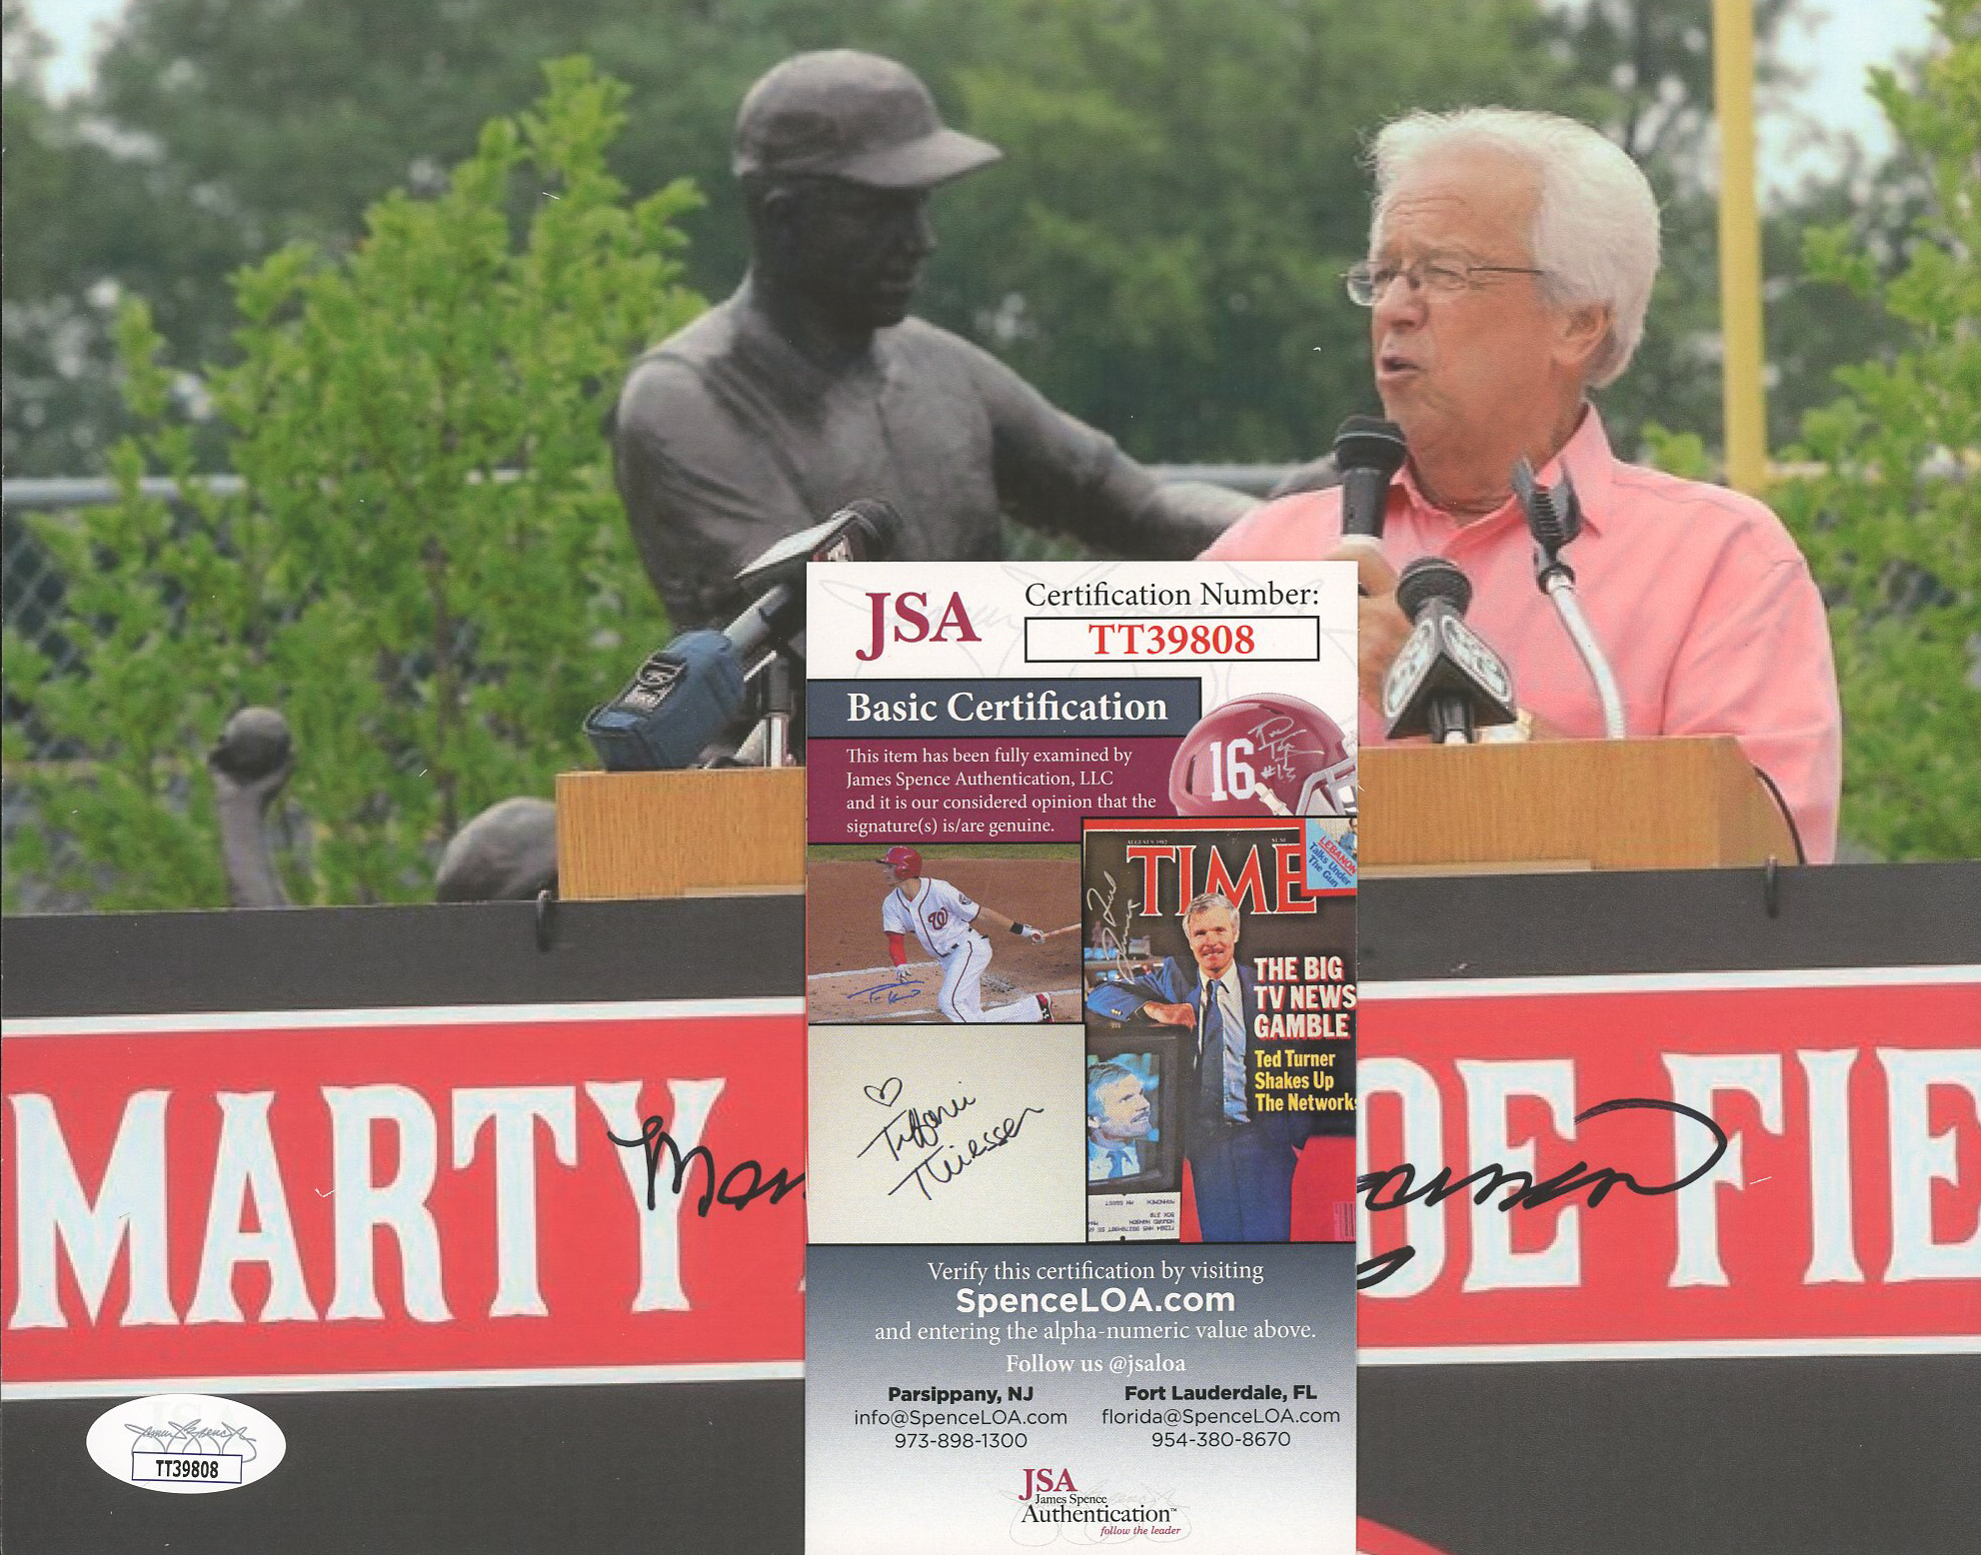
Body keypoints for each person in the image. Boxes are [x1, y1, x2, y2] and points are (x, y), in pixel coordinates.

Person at [1205, 107, 1842, 861]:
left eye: (1443, 273)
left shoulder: (1723, 561)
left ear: (1577, 323)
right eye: (1383, 276)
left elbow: (1755, 873)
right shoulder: (1262, 553)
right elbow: (1127, 865)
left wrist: (1440, 695)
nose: (1396, 309)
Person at [612, 50, 1252, 631]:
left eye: (919, 204)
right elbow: (823, 631)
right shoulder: (686, 401)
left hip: (996, 720)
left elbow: (1139, 507)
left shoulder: (938, 365)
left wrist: (1288, 525)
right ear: (784, 216)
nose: (921, 240)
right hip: (828, 732)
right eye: (879, 211)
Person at [1084, 892, 1307, 1240]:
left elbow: (1301, 1059)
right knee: (1219, 1241)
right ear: (1189, 940)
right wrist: (1156, 1009)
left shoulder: (1267, 984)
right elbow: (1100, 995)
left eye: (1219, 930)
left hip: (1263, 1140)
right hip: (1207, 1143)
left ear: (1235, 933)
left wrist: (1293, 1134)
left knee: (1271, 1242)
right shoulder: (1174, 979)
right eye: (1200, 933)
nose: (1210, 941)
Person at [876, 845, 1051, 1024]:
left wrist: (1025, 931)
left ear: (903, 869)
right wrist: (900, 964)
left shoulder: (939, 890)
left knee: (949, 1002)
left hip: (968, 949)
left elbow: (982, 913)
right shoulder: (891, 904)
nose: (884, 871)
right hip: (948, 961)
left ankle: (974, 1038)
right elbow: (895, 940)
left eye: (889, 866)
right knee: (973, 1016)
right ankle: (1036, 1008)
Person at [1087, 1062, 1155, 1181]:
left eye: (1141, 1094)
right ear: (1092, 1120)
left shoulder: (1162, 1155)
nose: (1145, 1104)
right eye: (1127, 1099)